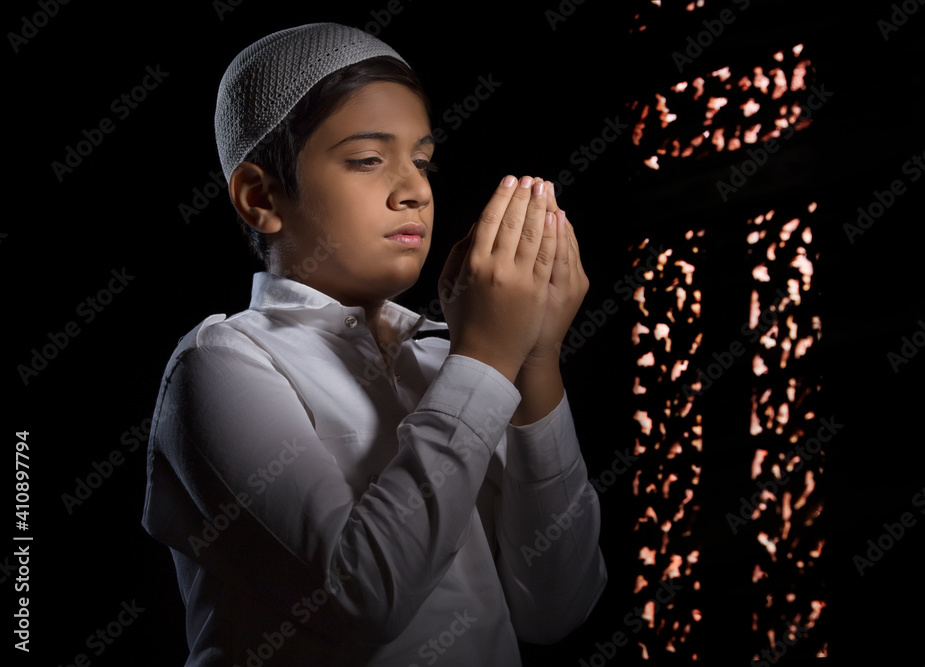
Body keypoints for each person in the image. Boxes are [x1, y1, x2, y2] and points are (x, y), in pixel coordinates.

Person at [142, 22, 607, 666]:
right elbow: (360, 599)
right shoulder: (222, 363)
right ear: (261, 196)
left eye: (422, 161)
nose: (414, 189)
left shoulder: (450, 358)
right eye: (367, 159)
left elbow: (557, 608)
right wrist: (490, 357)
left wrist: (534, 361)